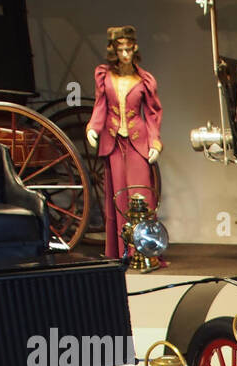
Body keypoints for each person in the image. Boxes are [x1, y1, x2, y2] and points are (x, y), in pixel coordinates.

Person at [86, 26, 162, 258]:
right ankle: (121, 251)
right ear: (114, 52)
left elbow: (152, 113)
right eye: (121, 50)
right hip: (113, 143)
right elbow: (100, 106)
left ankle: (144, 251)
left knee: (141, 195)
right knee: (118, 197)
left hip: (138, 142)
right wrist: (93, 127)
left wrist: (155, 143)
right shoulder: (105, 77)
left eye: (129, 49)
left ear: (134, 49)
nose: (126, 54)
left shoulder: (144, 80)